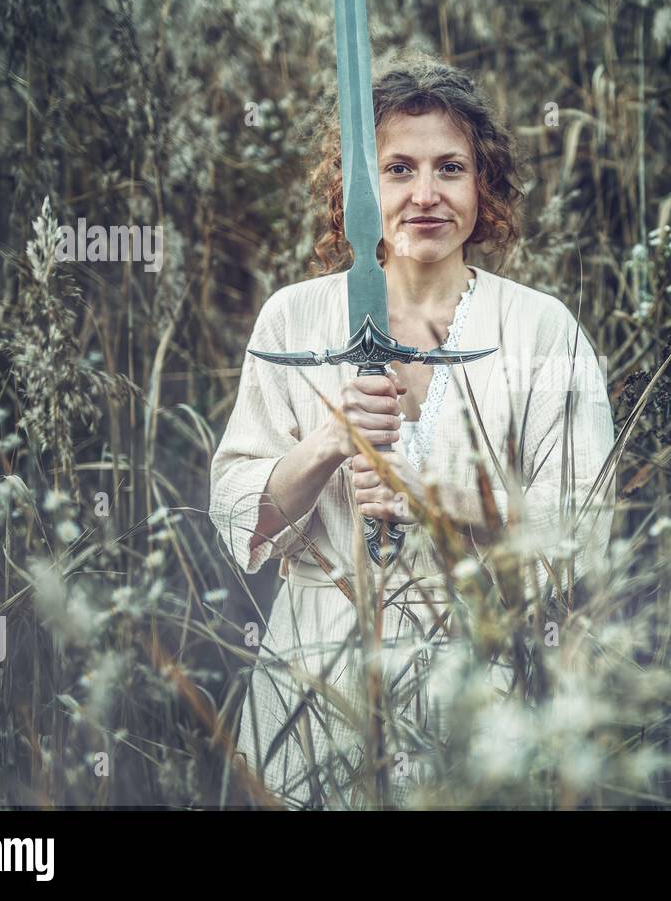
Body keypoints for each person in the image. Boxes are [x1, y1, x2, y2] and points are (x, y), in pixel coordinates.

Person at [208, 49, 617, 807]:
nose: (425, 195)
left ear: (482, 182)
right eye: (397, 169)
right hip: (316, 681)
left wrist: (437, 498)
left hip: (485, 688)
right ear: (357, 190)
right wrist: (328, 443)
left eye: (450, 169)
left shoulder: (541, 330)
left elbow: (580, 533)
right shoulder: (294, 317)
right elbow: (240, 510)